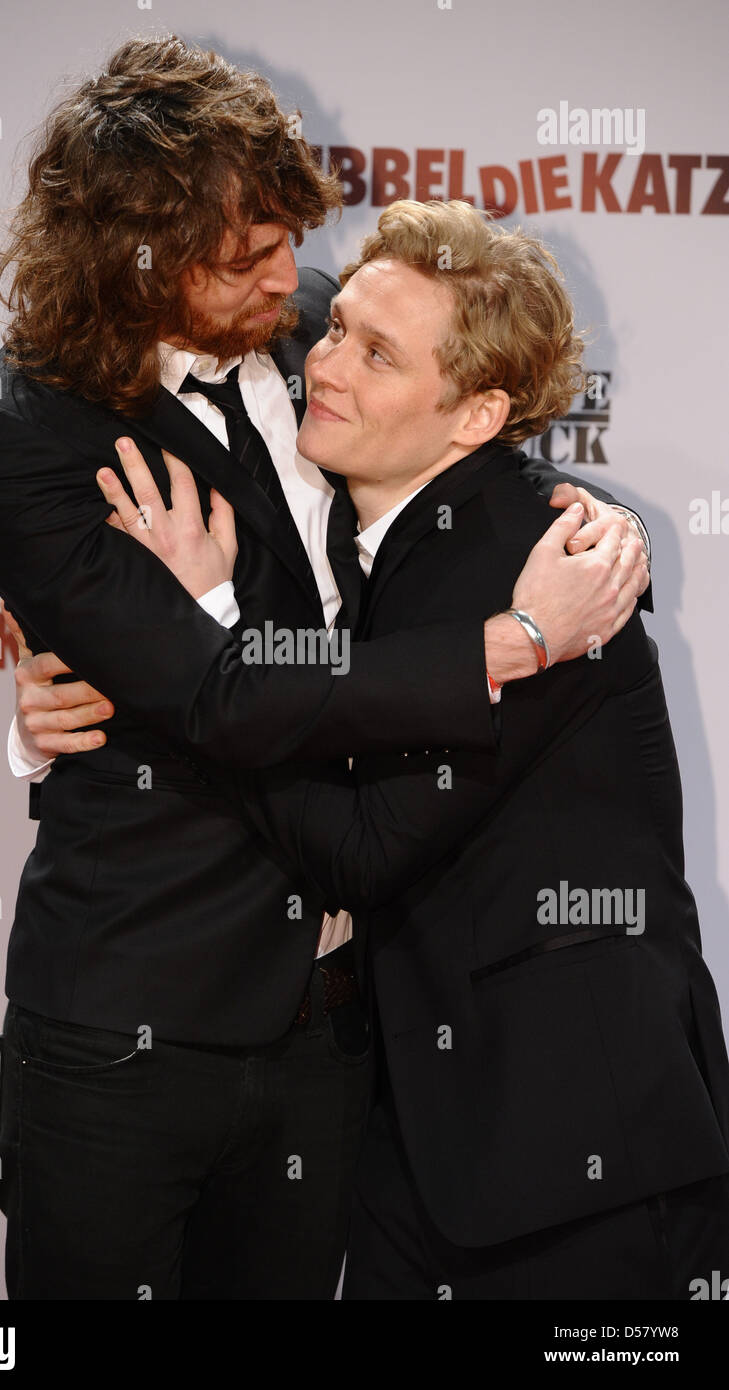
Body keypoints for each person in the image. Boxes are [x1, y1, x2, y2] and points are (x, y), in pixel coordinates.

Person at [0, 35, 648, 1300]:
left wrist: (587, 524)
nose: (292, 284)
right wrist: (508, 642)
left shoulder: (312, 326)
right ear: (132, 264)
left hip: (336, 1020)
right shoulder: (13, 440)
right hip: (129, 1026)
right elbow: (214, 694)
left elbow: (466, 424)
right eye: (248, 259)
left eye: (286, 241)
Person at [86, 198, 729, 1300]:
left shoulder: (548, 560)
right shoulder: (352, 539)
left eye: (376, 354)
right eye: (337, 329)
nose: (323, 364)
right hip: (420, 1149)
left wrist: (204, 662)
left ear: (476, 414)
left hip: (580, 1155)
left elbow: (363, 847)